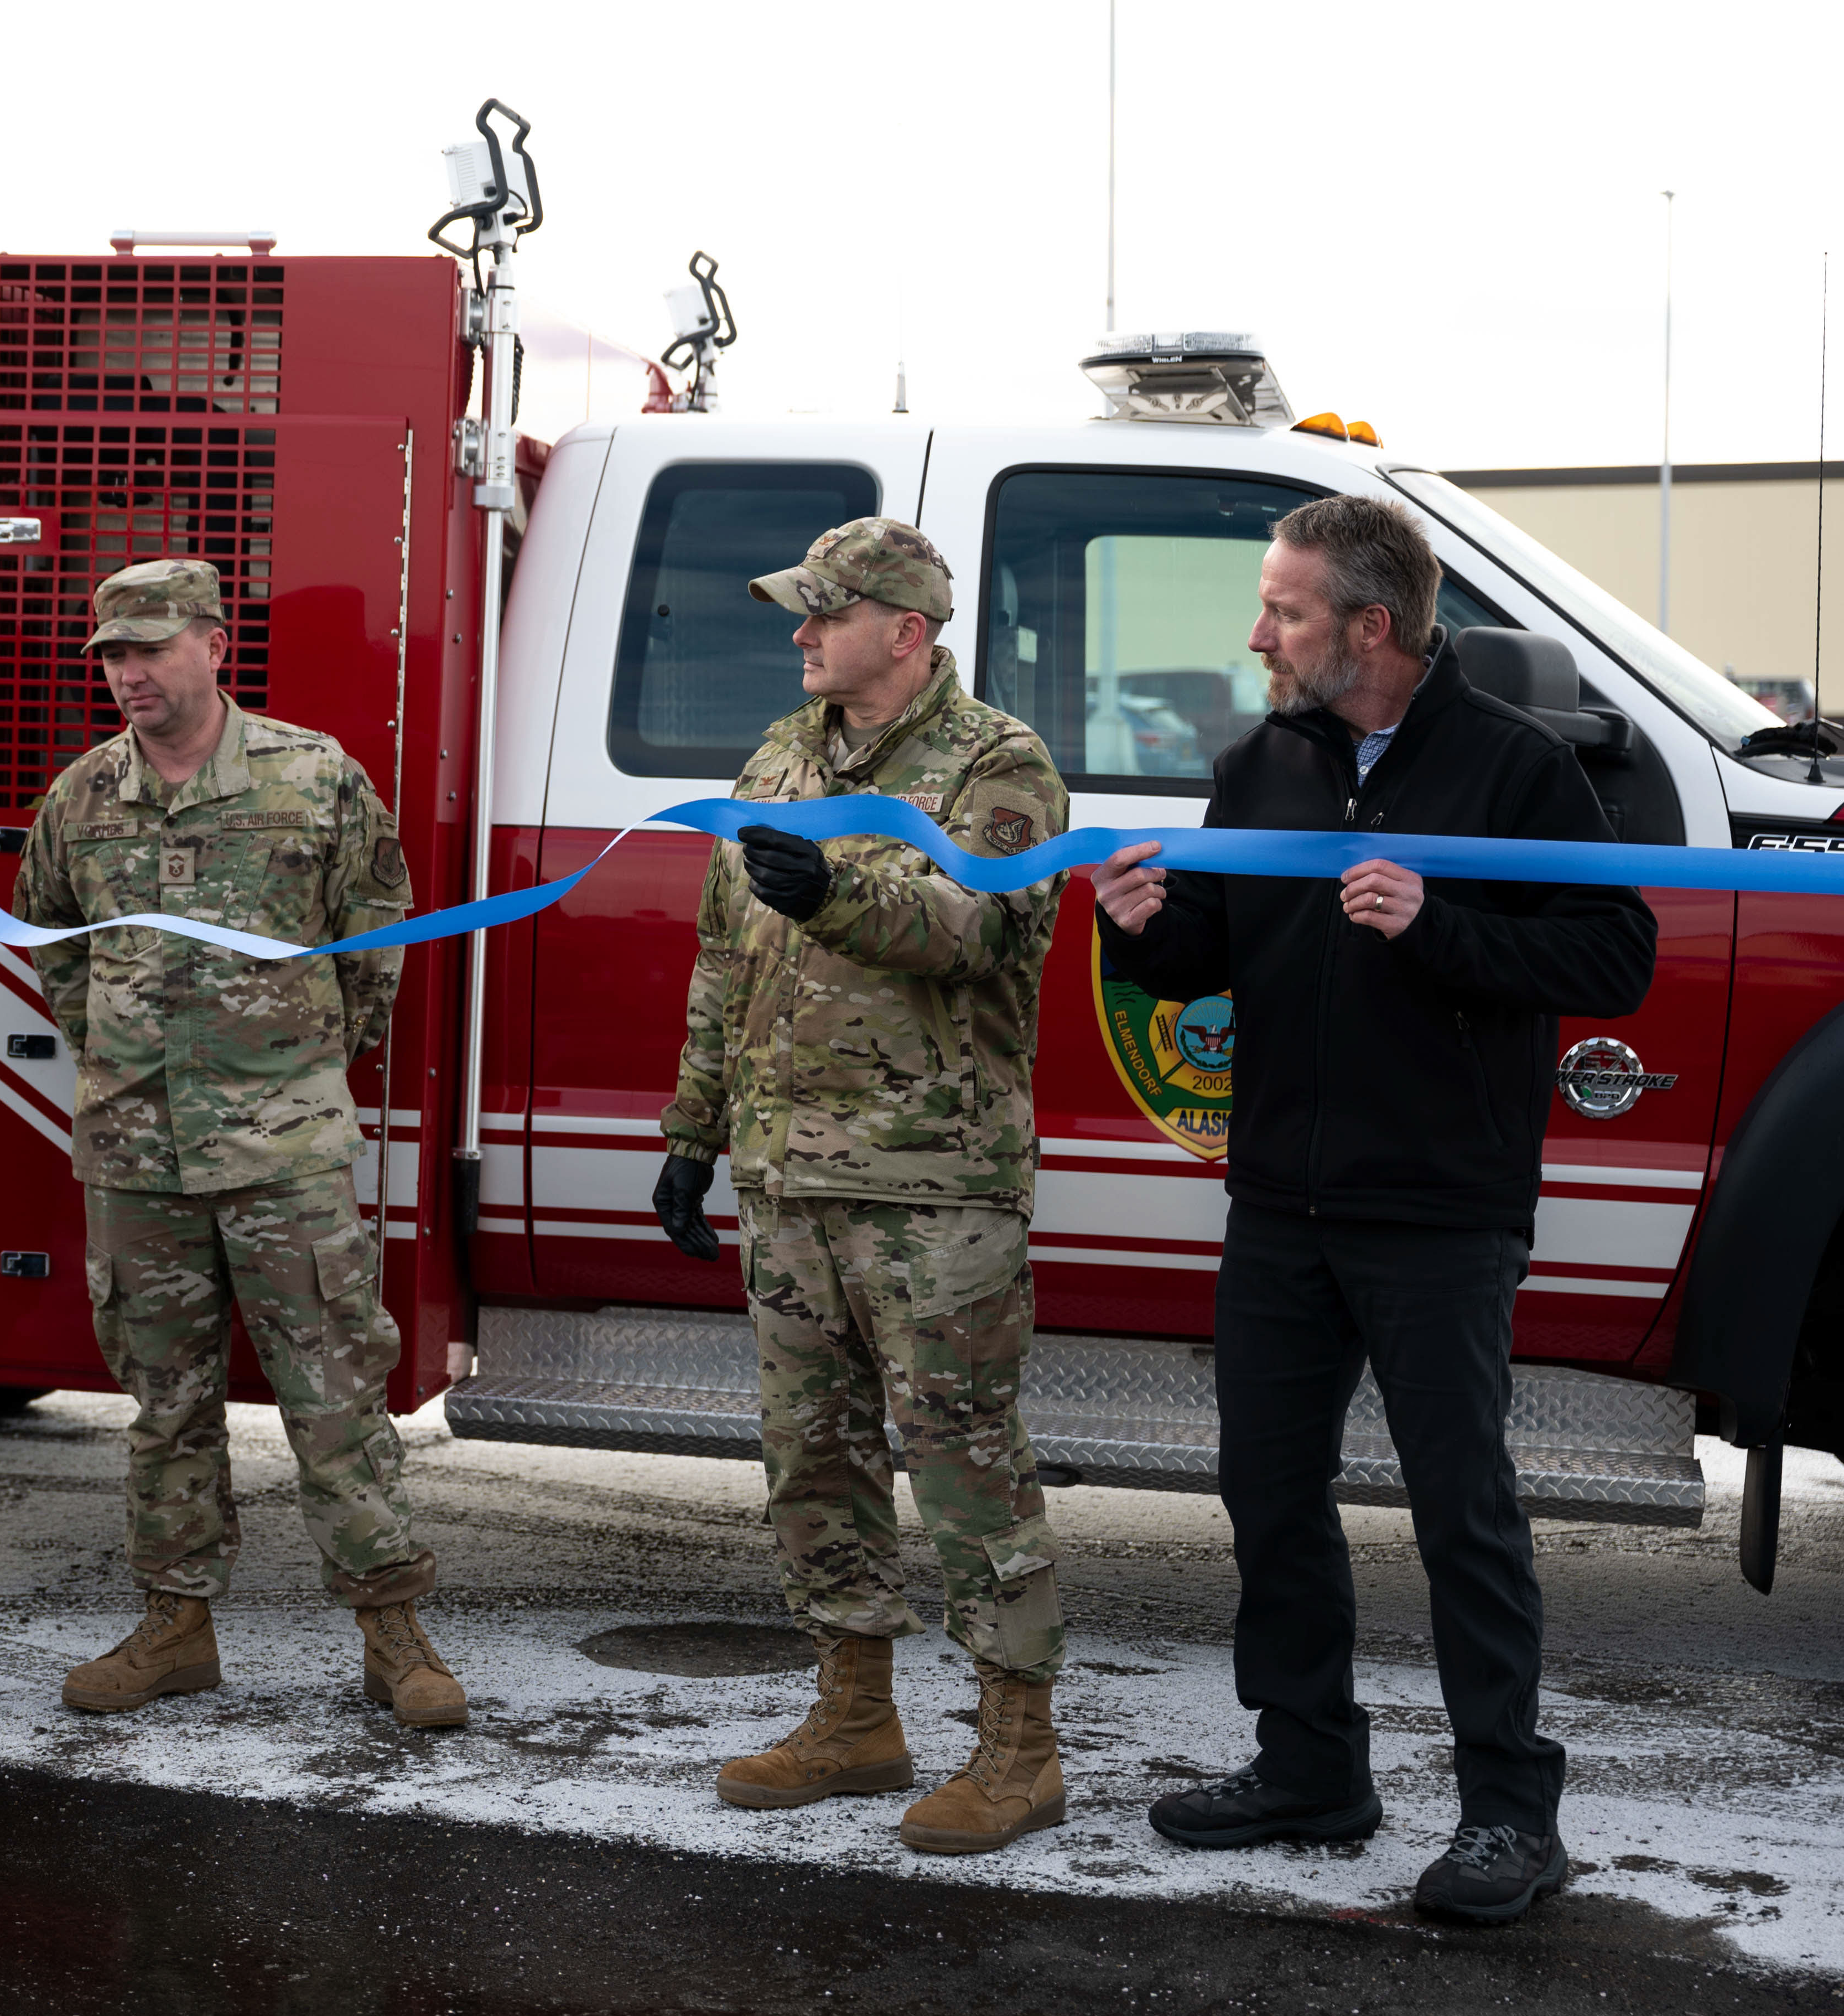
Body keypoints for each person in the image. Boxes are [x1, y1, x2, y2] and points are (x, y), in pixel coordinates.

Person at [1088, 494, 1657, 1923]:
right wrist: (1151, 936)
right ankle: (1309, 1770)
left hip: (1441, 1209)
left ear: (1371, 624)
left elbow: (1617, 952)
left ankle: (1512, 1818)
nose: (1258, 632)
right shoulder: (1261, 763)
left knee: (1464, 1513)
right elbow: (1219, 952)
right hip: (1282, 1200)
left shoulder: (1514, 770)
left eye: (1283, 609)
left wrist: (1439, 928)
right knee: (1269, 1497)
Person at [653, 516, 1073, 1853]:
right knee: (811, 1465)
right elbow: (724, 956)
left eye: (822, 614)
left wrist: (833, 894)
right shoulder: (782, 756)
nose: (798, 633)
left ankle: (1017, 1750)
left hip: (930, 1186)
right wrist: (690, 1132)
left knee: (963, 1470)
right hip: (788, 1178)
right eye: (798, 611)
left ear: (905, 631)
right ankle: (853, 1716)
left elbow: (983, 927)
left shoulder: (995, 764)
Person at [9, 558, 465, 1727]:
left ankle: (392, 1635)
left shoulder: (313, 777)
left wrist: (306, 1063)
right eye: (111, 653)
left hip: (280, 1148)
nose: (127, 673)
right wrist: (117, 1052)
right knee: (163, 1402)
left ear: (215, 645)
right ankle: (174, 1629)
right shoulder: (82, 797)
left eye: (151, 647)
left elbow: (377, 930)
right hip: (135, 1154)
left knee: (333, 1396)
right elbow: (53, 942)